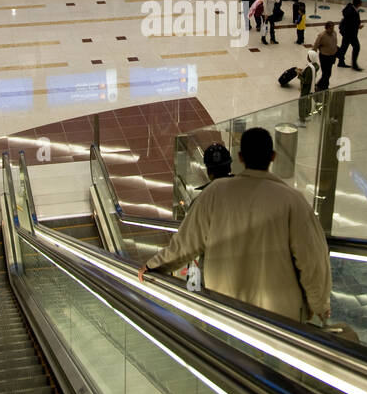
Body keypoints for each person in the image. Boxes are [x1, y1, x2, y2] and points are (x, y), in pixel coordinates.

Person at [137, 127, 331, 325]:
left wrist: (154, 265)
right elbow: (312, 260)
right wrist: (319, 306)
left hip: (227, 312)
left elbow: (185, 245)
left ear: (240, 157)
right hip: (280, 319)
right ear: (273, 156)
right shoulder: (293, 201)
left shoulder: (214, 193)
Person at [337, 0, 363, 71]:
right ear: (358, 4)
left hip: (347, 32)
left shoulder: (350, 6)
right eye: (361, 2)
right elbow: (350, 23)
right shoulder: (352, 11)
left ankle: (341, 62)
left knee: (344, 47)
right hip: (350, 33)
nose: (362, 3)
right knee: (356, 47)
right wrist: (358, 26)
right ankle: (354, 65)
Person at [313, 20, 338, 90]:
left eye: (333, 27)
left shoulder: (334, 33)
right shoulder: (322, 36)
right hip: (324, 57)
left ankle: (321, 85)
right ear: (327, 28)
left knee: (328, 73)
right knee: (326, 73)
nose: (333, 29)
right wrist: (312, 57)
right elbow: (315, 46)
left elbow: (335, 43)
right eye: (331, 28)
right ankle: (323, 86)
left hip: (332, 56)